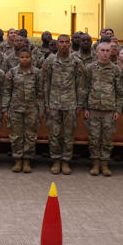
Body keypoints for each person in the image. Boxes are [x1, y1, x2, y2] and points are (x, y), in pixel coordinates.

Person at [42, 35, 84, 175]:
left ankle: (66, 161)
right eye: (61, 42)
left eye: (67, 42)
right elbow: (46, 83)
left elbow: (80, 85)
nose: (64, 44)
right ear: (57, 44)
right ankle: (56, 160)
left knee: (68, 134)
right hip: (53, 103)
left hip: (70, 103)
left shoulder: (76, 62)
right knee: (54, 134)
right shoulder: (50, 61)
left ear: (70, 44)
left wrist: (79, 104)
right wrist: (46, 103)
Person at [83, 43, 123, 176]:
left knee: (107, 138)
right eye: (102, 50)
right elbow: (85, 88)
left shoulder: (116, 69)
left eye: (107, 50)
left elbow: (119, 90)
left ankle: (105, 163)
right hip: (93, 108)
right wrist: (85, 107)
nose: (105, 53)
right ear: (97, 51)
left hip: (109, 109)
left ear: (111, 52)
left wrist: (118, 109)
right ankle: (95, 163)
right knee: (94, 137)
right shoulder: (90, 68)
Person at [3, 48, 43, 173]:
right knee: (16, 135)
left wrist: (40, 110)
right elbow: (7, 91)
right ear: (18, 58)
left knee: (30, 135)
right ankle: (17, 160)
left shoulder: (37, 73)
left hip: (32, 108)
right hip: (15, 108)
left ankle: (27, 160)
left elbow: (40, 92)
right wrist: (5, 109)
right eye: (22, 57)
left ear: (31, 58)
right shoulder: (12, 72)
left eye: (27, 57)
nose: (24, 59)